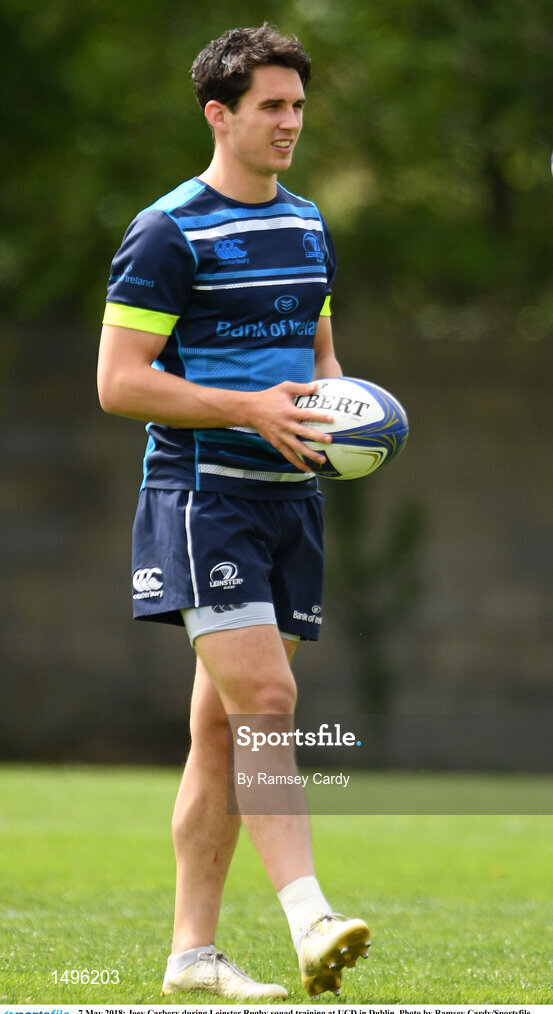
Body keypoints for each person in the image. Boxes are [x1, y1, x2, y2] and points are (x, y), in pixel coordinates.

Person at [97, 23, 370, 1000]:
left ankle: (191, 955)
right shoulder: (165, 231)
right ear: (220, 114)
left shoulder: (306, 225)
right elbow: (119, 383)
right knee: (267, 705)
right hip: (200, 498)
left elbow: (319, 358)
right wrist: (247, 411)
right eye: (271, 106)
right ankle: (311, 917)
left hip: (291, 505)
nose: (290, 121)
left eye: (298, 105)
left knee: (222, 730)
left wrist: (342, 416)